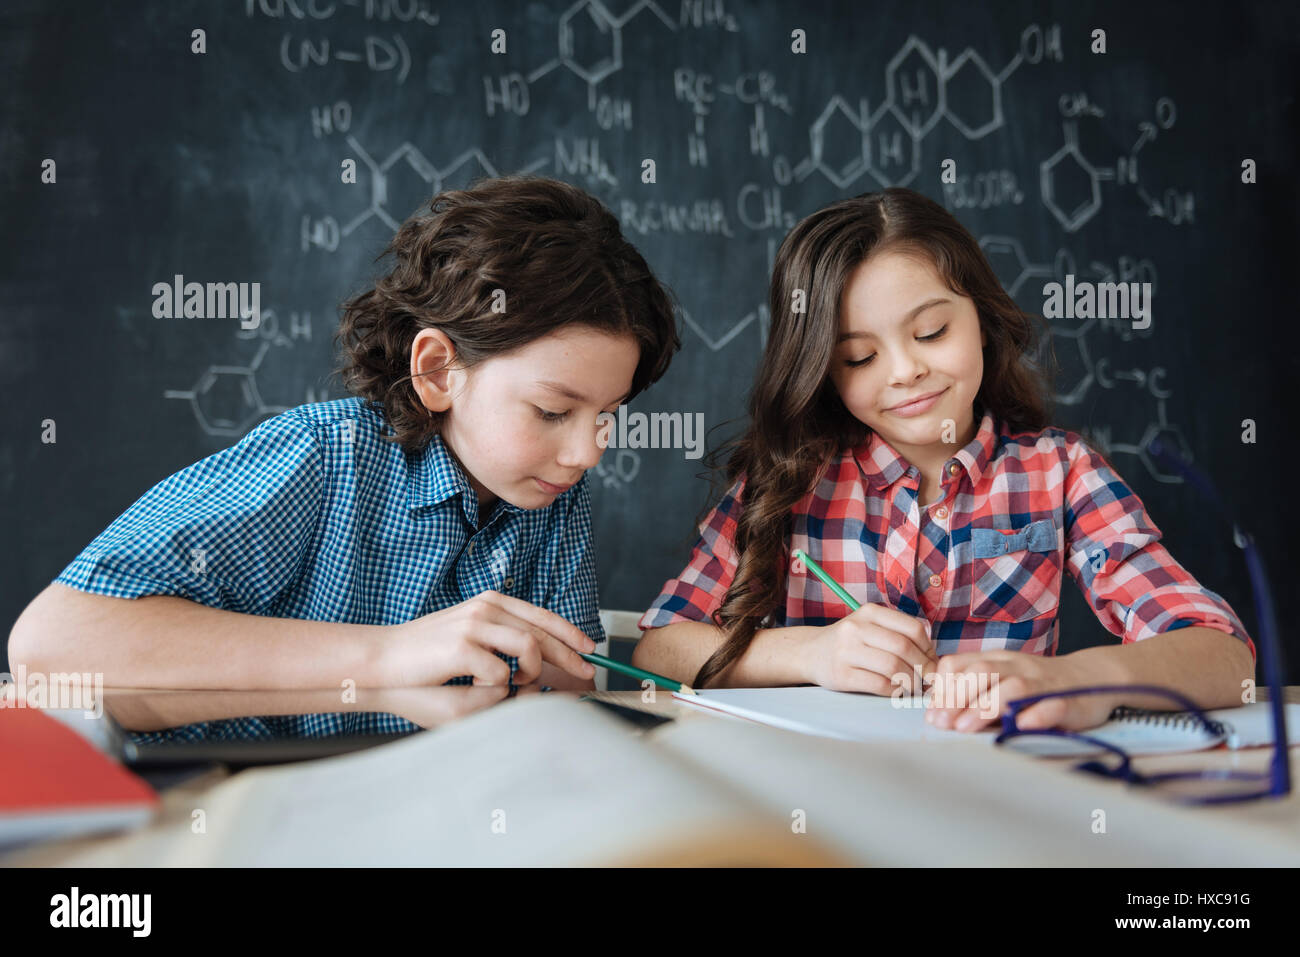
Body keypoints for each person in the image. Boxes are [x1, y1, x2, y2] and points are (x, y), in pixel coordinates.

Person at [9, 175, 681, 737]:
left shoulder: (549, 497)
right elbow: (49, 647)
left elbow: (564, 689)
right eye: (553, 411)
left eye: (608, 416)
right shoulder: (324, 457)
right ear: (439, 368)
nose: (588, 451)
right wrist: (383, 661)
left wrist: (558, 683)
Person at [634, 187, 1254, 734]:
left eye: (931, 332)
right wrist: (811, 654)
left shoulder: (1059, 471)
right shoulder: (790, 480)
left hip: (998, 794)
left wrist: (1074, 680)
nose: (906, 372)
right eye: (858, 358)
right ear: (823, 370)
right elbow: (659, 650)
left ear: (981, 320)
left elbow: (1223, 656)